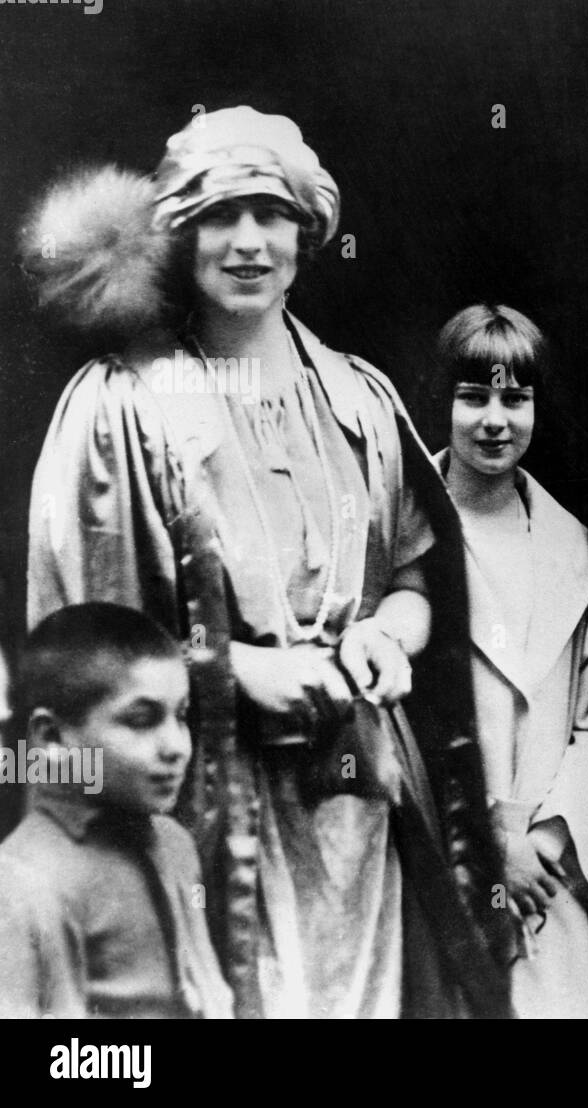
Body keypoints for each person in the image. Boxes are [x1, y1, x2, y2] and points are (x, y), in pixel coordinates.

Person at [21, 107, 512, 1018]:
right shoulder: (122, 406)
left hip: (361, 800)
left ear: (307, 229)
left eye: (271, 213)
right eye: (219, 216)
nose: (248, 242)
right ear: (179, 233)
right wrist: (237, 668)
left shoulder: (359, 398)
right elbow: (82, 643)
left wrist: (387, 636)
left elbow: (416, 578)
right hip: (207, 799)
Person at [423, 303, 588, 1018]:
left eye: (516, 399)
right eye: (473, 396)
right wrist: (486, 841)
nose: (495, 420)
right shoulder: (400, 527)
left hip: (545, 875)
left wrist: (543, 840)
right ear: (442, 400)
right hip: (438, 855)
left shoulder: (577, 553)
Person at [0, 603, 232, 1019]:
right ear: (52, 738)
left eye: (180, 717)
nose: (176, 746)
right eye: (142, 720)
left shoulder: (174, 843)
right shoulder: (24, 879)